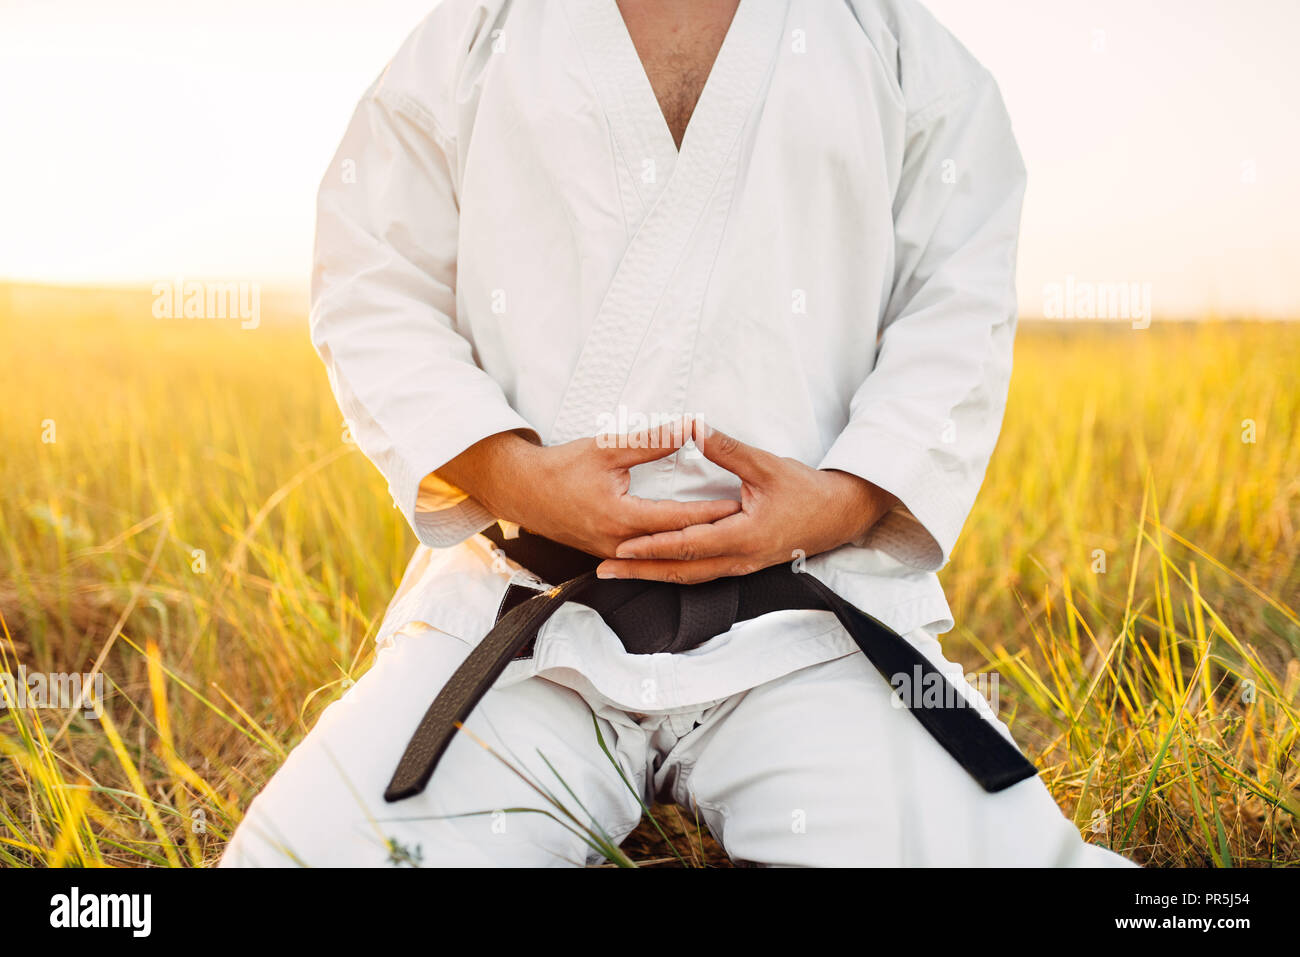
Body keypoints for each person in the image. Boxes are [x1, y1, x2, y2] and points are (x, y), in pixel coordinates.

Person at [221, 0, 1135, 867]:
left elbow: (959, 300)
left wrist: (843, 498)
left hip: (814, 625)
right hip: (528, 614)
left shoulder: (890, 40)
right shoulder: (478, 30)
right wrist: (512, 476)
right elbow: (372, 273)